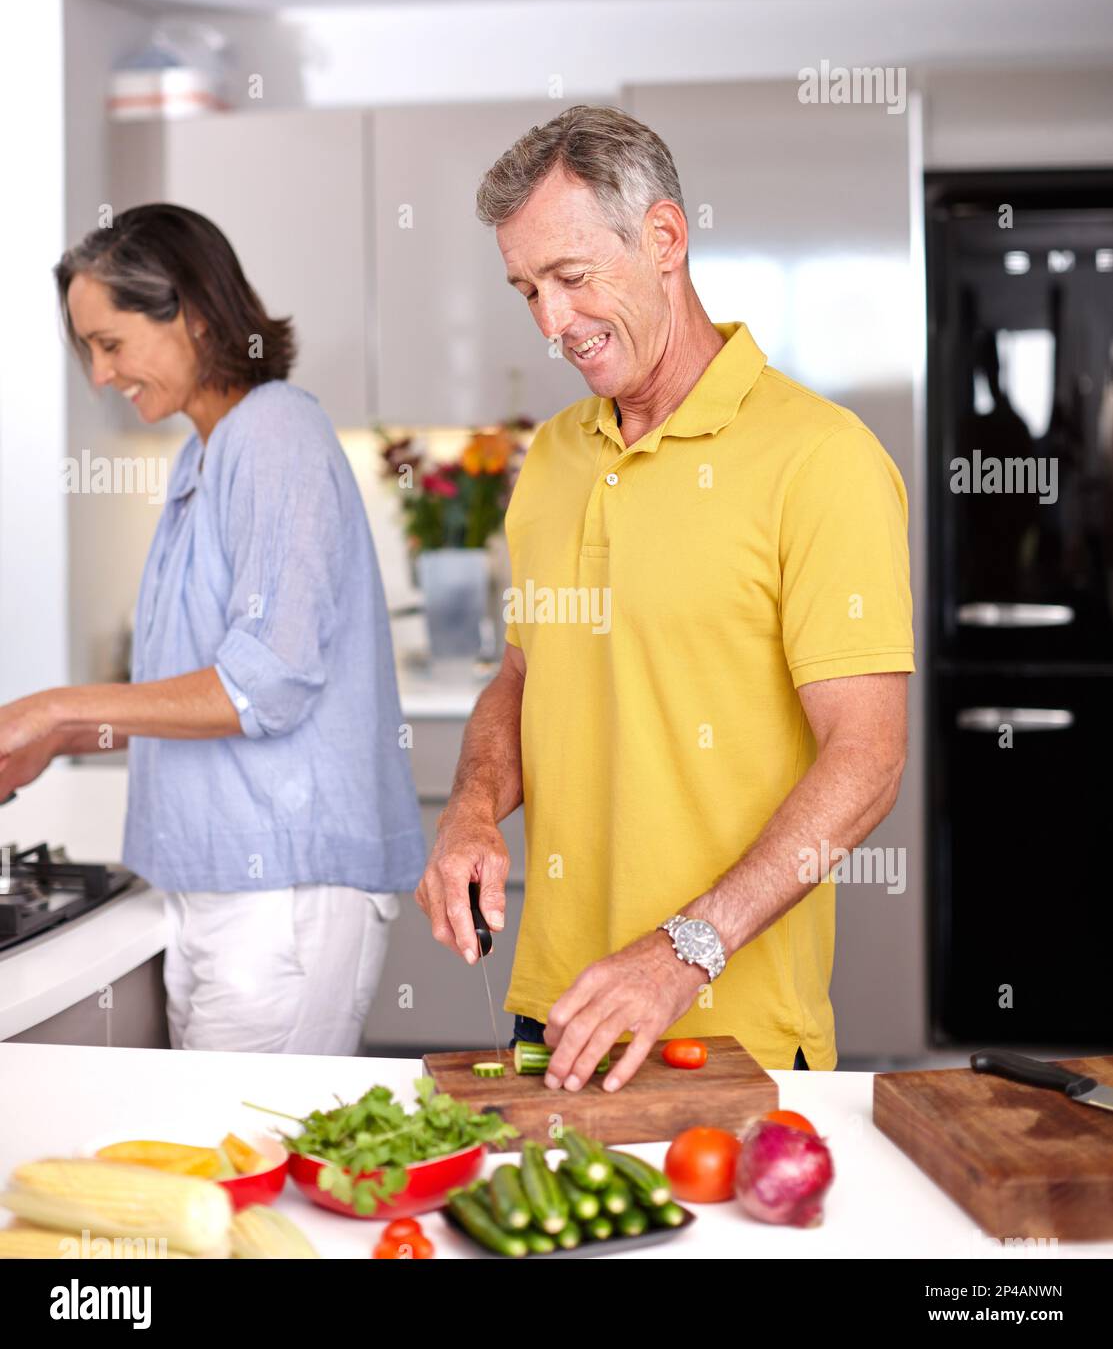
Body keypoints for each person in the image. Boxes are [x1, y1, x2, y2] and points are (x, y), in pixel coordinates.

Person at [416, 105, 914, 1085]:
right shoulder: (554, 457)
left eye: (570, 277)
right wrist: (472, 811)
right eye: (526, 290)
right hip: (556, 1012)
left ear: (665, 239)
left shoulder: (821, 459)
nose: (551, 323)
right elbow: (524, 672)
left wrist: (686, 947)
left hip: (731, 1032)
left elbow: (869, 756)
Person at [0, 204, 424, 1053]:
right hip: (220, 888)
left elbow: (262, 682)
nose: (97, 375)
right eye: (86, 349)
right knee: (221, 1166)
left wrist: (54, 709)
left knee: (250, 1166)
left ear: (191, 312)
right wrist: (73, 732)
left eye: (111, 343)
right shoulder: (203, 453)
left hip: (283, 895)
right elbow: (202, 699)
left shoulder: (274, 432)